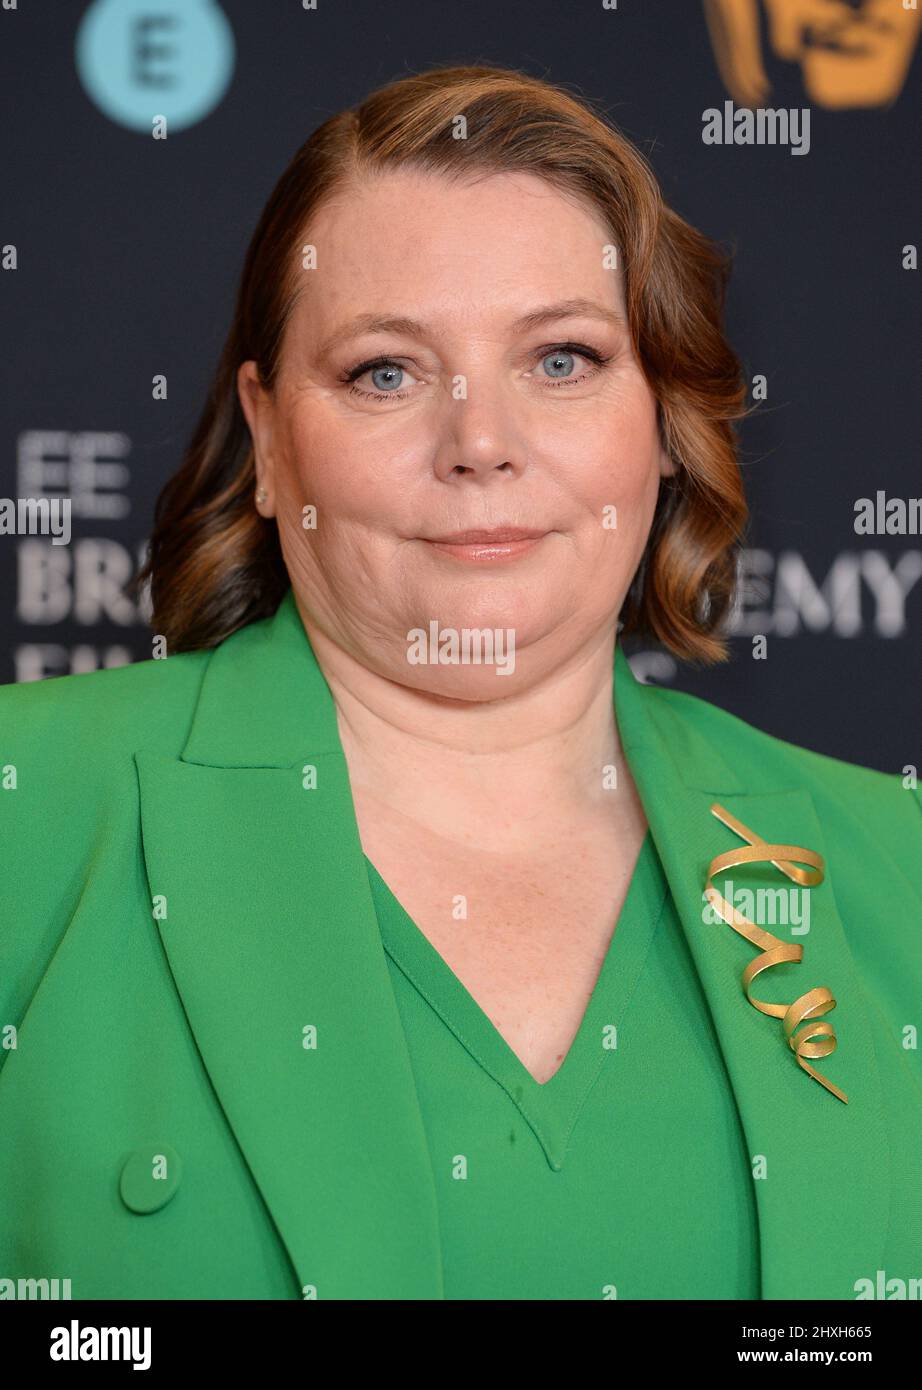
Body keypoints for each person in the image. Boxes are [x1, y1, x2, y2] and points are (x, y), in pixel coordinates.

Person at [1, 64, 919, 1303]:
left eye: (562, 358)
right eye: (386, 371)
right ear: (269, 441)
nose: (479, 440)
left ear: (663, 423)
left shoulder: (891, 859)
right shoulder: (30, 807)